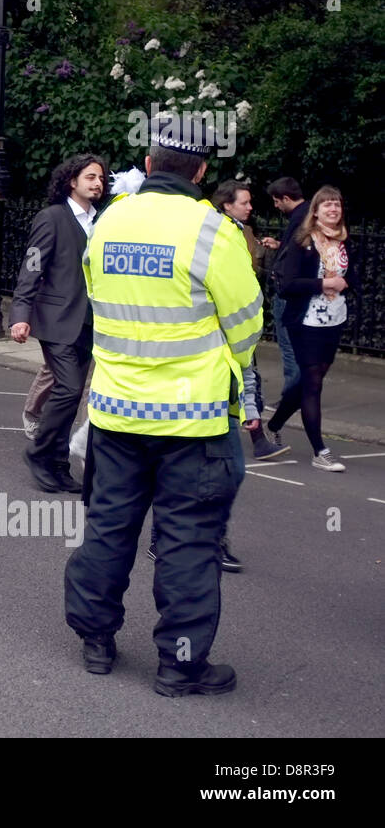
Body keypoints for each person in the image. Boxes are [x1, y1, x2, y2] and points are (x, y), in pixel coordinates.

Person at [63, 120, 263, 696]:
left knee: (108, 529)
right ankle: (179, 665)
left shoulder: (107, 222)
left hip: (117, 413)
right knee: (187, 543)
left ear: (148, 166)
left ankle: (96, 641)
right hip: (194, 420)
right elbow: (247, 324)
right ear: (201, 173)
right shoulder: (214, 231)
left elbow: (97, 294)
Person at [9, 154, 106, 493]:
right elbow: (31, 267)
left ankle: (59, 463)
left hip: (90, 322)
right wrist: (20, 315)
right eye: (90, 177)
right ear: (72, 181)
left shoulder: (103, 221)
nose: (97, 183)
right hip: (56, 321)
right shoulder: (51, 218)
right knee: (66, 389)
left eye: (101, 178)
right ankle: (37, 453)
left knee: (74, 392)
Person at [266, 186, 353, 472]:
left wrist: (347, 285)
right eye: (327, 205)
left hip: (333, 319)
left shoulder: (342, 241)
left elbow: (351, 275)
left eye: (337, 205)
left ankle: (276, 423)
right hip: (305, 321)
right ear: (315, 211)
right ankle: (320, 451)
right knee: (313, 382)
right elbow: (288, 285)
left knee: (308, 380)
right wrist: (324, 284)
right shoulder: (303, 241)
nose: (333, 209)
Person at [211, 179, 287, 461]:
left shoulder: (246, 231)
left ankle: (256, 437)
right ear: (227, 205)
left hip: (243, 316)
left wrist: (267, 251)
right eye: (244, 202)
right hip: (220, 317)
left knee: (246, 375)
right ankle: (251, 437)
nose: (250, 207)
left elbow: (254, 270)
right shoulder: (213, 232)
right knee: (238, 377)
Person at [261, 177, 309, 405]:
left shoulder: (300, 218)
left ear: (286, 198)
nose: (276, 206)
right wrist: (280, 245)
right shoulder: (309, 215)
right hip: (300, 291)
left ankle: (291, 396)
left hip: (289, 291)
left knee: (289, 345)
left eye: (277, 201)